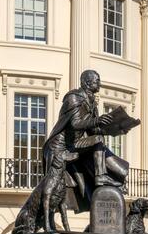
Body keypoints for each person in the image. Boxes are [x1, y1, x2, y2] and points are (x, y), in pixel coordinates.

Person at [42, 70, 130, 213]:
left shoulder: (92, 101)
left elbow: (92, 131)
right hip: (62, 146)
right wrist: (97, 120)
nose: (99, 84)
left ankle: (104, 176)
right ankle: (100, 177)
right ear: (87, 82)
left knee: (99, 139)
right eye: (97, 81)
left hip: (75, 144)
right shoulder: (74, 98)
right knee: (98, 140)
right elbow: (75, 124)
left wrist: (116, 129)